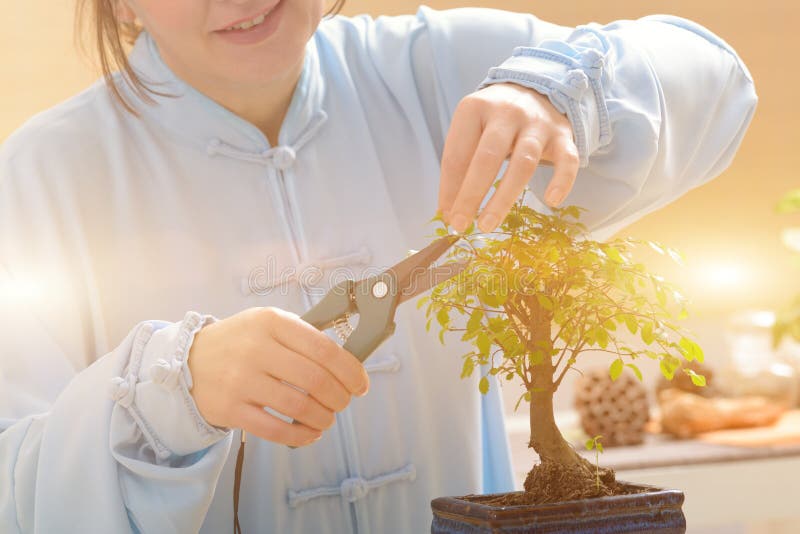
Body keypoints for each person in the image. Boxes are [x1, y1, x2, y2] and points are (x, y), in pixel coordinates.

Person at [0, 0, 756, 532]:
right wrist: (171, 387)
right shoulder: (42, 176)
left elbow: (717, 85)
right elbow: (16, 485)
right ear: (121, 5)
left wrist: (559, 88)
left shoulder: (440, 69)